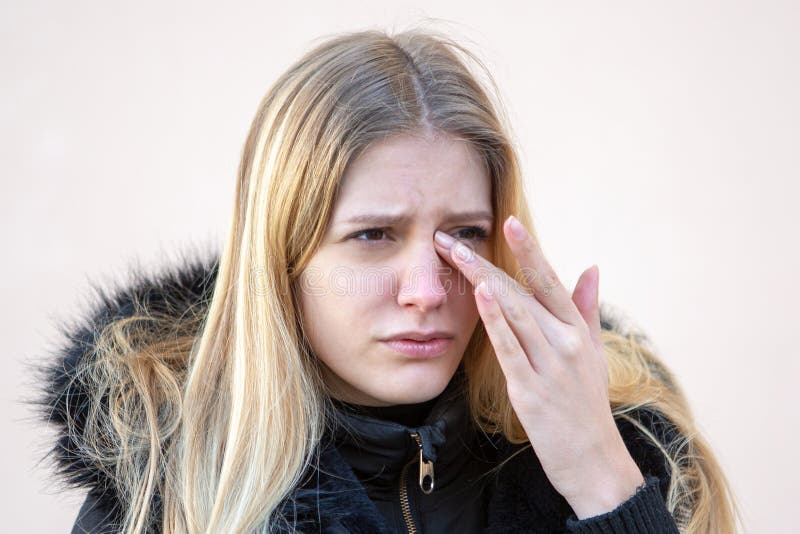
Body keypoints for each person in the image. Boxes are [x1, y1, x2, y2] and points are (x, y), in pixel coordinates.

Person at [31, 27, 740, 533]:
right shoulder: (166, 490)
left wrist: (602, 482)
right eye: (373, 236)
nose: (428, 291)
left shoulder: (637, 448)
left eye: (464, 234)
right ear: (281, 262)